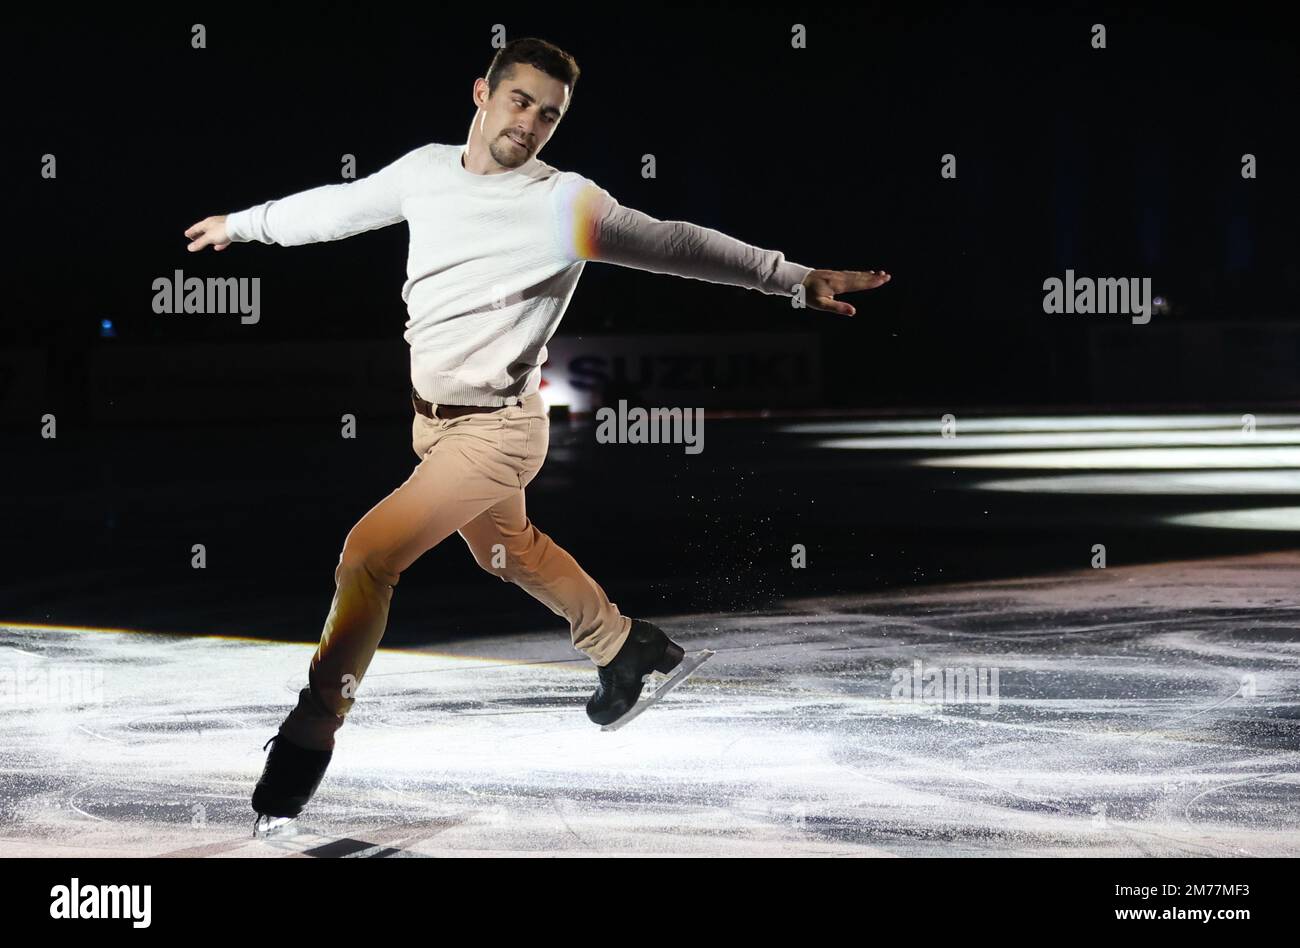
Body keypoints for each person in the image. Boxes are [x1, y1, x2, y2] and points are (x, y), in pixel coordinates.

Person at [184, 37, 891, 828]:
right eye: (521, 101)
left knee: (369, 554)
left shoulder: (563, 204)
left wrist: (791, 278)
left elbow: (676, 243)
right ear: (480, 92)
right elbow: (335, 211)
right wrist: (244, 225)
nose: (532, 123)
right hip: (432, 427)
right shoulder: (424, 171)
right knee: (507, 551)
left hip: (499, 433)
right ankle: (624, 647)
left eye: (550, 114)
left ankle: (313, 729)